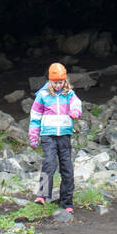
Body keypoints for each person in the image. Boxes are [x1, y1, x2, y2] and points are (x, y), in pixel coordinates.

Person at [29, 62, 82, 212]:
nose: (58, 85)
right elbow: (35, 116)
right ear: (50, 81)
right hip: (48, 135)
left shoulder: (69, 94)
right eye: (55, 82)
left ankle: (67, 202)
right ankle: (42, 195)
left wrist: (75, 111)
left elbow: (77, 104)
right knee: (49, 163)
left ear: (65, 81)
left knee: (67, 168)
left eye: (60, 82)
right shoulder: (43, 95)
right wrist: (34, 136)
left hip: (64, 135)